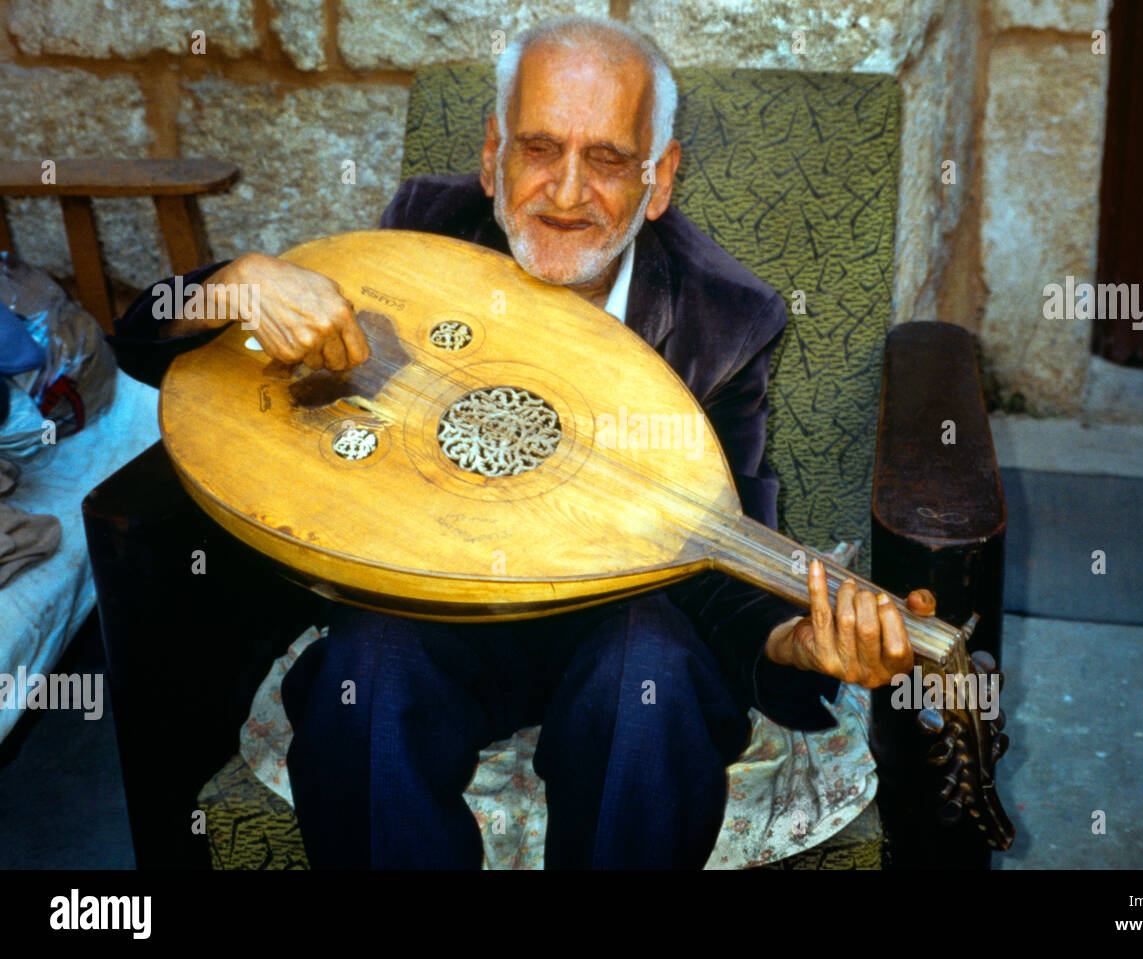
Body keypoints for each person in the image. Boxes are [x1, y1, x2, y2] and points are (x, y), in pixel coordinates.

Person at [108, 14, 935, 868]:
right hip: (437, 596)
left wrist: (796, 641)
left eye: (608, 159)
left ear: (659, 181)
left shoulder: (723, 319)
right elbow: (141, 344)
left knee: (648, 681)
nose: (567, 192)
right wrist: (232, 287)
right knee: (370, 671)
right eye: (539, 148)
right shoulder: (424, 232)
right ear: (492, 153)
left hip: (621, 624)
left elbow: (719, 548)